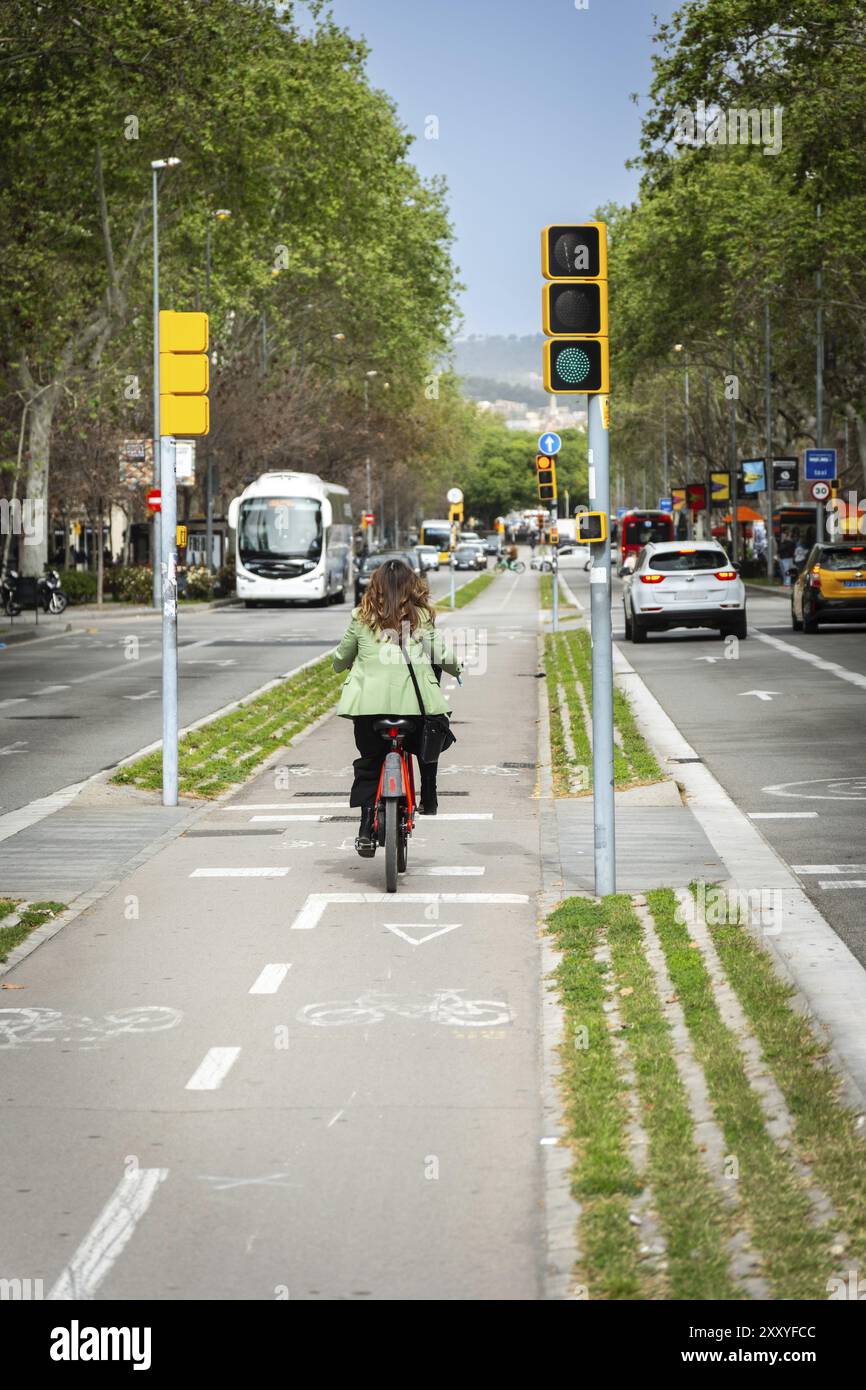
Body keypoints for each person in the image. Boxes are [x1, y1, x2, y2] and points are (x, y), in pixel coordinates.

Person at [332, 558, 462, 855]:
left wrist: (346, 662)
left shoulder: (361, 617)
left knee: (369, 764)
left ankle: (365, 827)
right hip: (413, 711)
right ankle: (429, 797)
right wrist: (459, 669)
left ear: (374, 586)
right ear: (411, 586)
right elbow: (442, 655)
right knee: (431, 742)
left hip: (369, 711)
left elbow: (340, 658)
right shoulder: (418, 617)